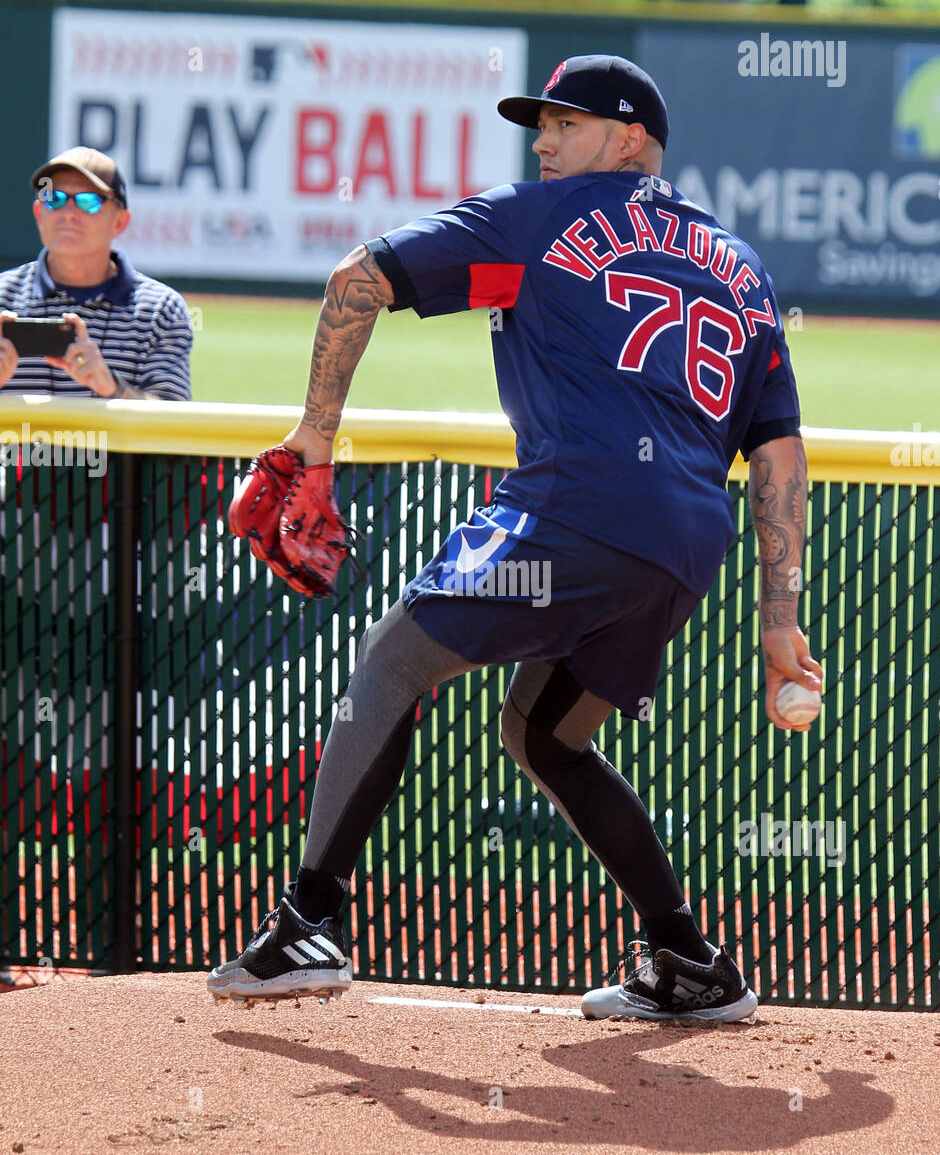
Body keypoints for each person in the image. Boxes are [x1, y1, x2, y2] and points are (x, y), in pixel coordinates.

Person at [208, 54, 823, 1022]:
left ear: (629, 140)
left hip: (577, 511)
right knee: (544, 735)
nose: (543, 140)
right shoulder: (743, 268)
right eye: (540, 123)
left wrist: (314, 440)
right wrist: (778, 613)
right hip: (681, 547)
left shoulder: (540, 220)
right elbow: (779, 453)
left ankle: (304, 925)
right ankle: (690, 960)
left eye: (567, 123)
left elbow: (356, 278)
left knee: (393, 663)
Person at [0, 146, 192, 401]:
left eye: (88, 201)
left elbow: (175, 424)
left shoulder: (160, 310)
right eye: (54, 199)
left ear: (120, 221)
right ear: (38, 213)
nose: (68, 214)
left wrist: (113, 389)